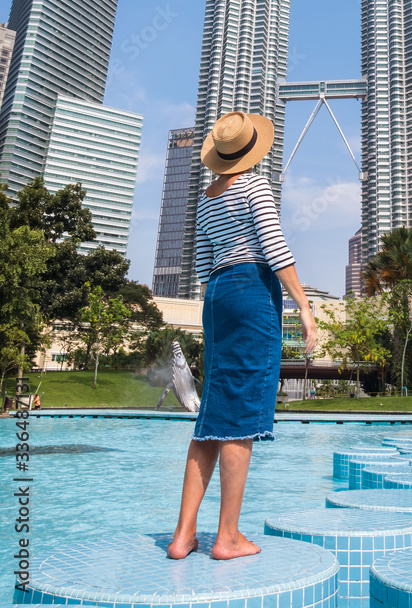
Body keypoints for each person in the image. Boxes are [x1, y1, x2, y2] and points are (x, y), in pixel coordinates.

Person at [168, 111, 317, 562]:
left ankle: (182, 536)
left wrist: (222, 297)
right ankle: (228, 537)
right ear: (251, 150)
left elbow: (201, 264)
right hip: (251, 290)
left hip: (216, 295)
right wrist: (304, 307)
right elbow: (275, 248)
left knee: (213, 413)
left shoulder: (206, 198)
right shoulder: (254, 186)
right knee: (241, 414)